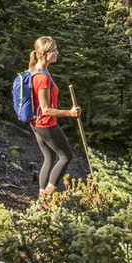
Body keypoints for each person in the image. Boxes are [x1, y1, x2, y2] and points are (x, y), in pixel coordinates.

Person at [28, 36, 80, 203]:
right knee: (66, 157)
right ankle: (48, 198)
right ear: (44, 53)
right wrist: (70, 113)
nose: (57, 52)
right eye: (54, 50)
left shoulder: (35, 70)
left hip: (36, 123)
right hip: (45, 124)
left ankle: (41, 201)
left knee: (49, 158)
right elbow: (46, 109)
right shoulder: (42, 77)